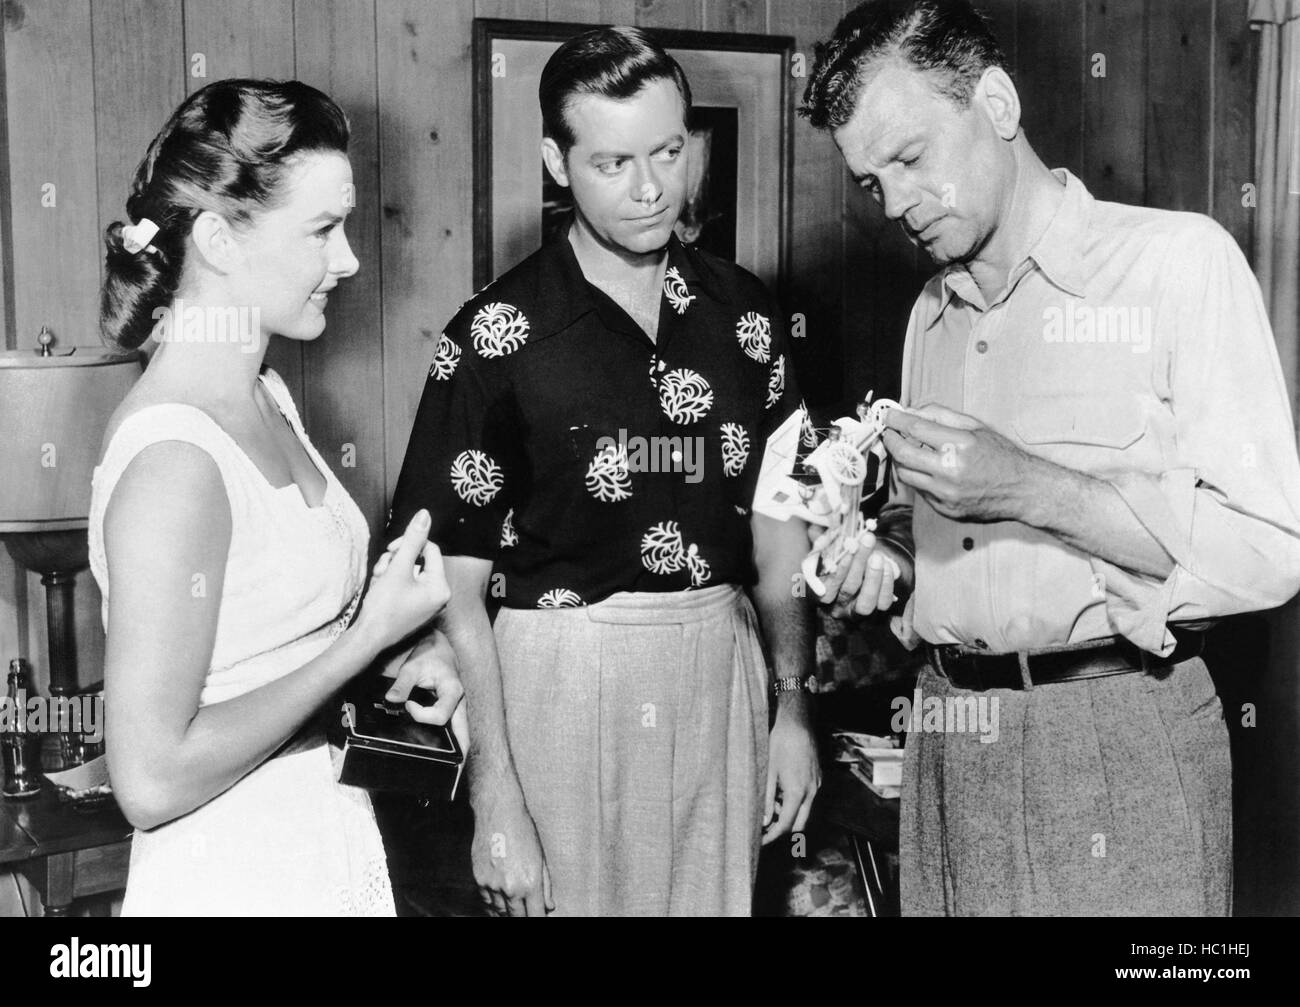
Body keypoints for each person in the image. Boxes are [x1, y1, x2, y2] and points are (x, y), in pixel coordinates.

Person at [801, 0, 1300, 915]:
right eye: (871, 183)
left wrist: (1030, 487)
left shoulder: (1177, 266)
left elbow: (1269, 547)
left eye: (910, 159)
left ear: (996, 102)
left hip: (1117, 733)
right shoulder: (931, 313)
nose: (896, 204)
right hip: (950, 739)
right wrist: (896, 554)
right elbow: (939, 521)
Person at [388, 27, 820, 917]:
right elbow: (452, 590)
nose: (653, 188)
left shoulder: (746, 315)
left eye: (670, 151)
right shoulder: (493, 337)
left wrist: (793, 708)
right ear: (557, 161)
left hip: (719, 668)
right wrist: (494, 791)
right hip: (557, 679)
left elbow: (782, 535)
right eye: (614, 162)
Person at [90, 79, 463, 916]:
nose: (350, 260)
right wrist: (365, 637)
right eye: (323, 230)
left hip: (317, 840)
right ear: (219, 239)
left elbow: (270, 649)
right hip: (230, 876)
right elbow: (148, 779)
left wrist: (401, 653)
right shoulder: (175, 460)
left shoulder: (264, 395)